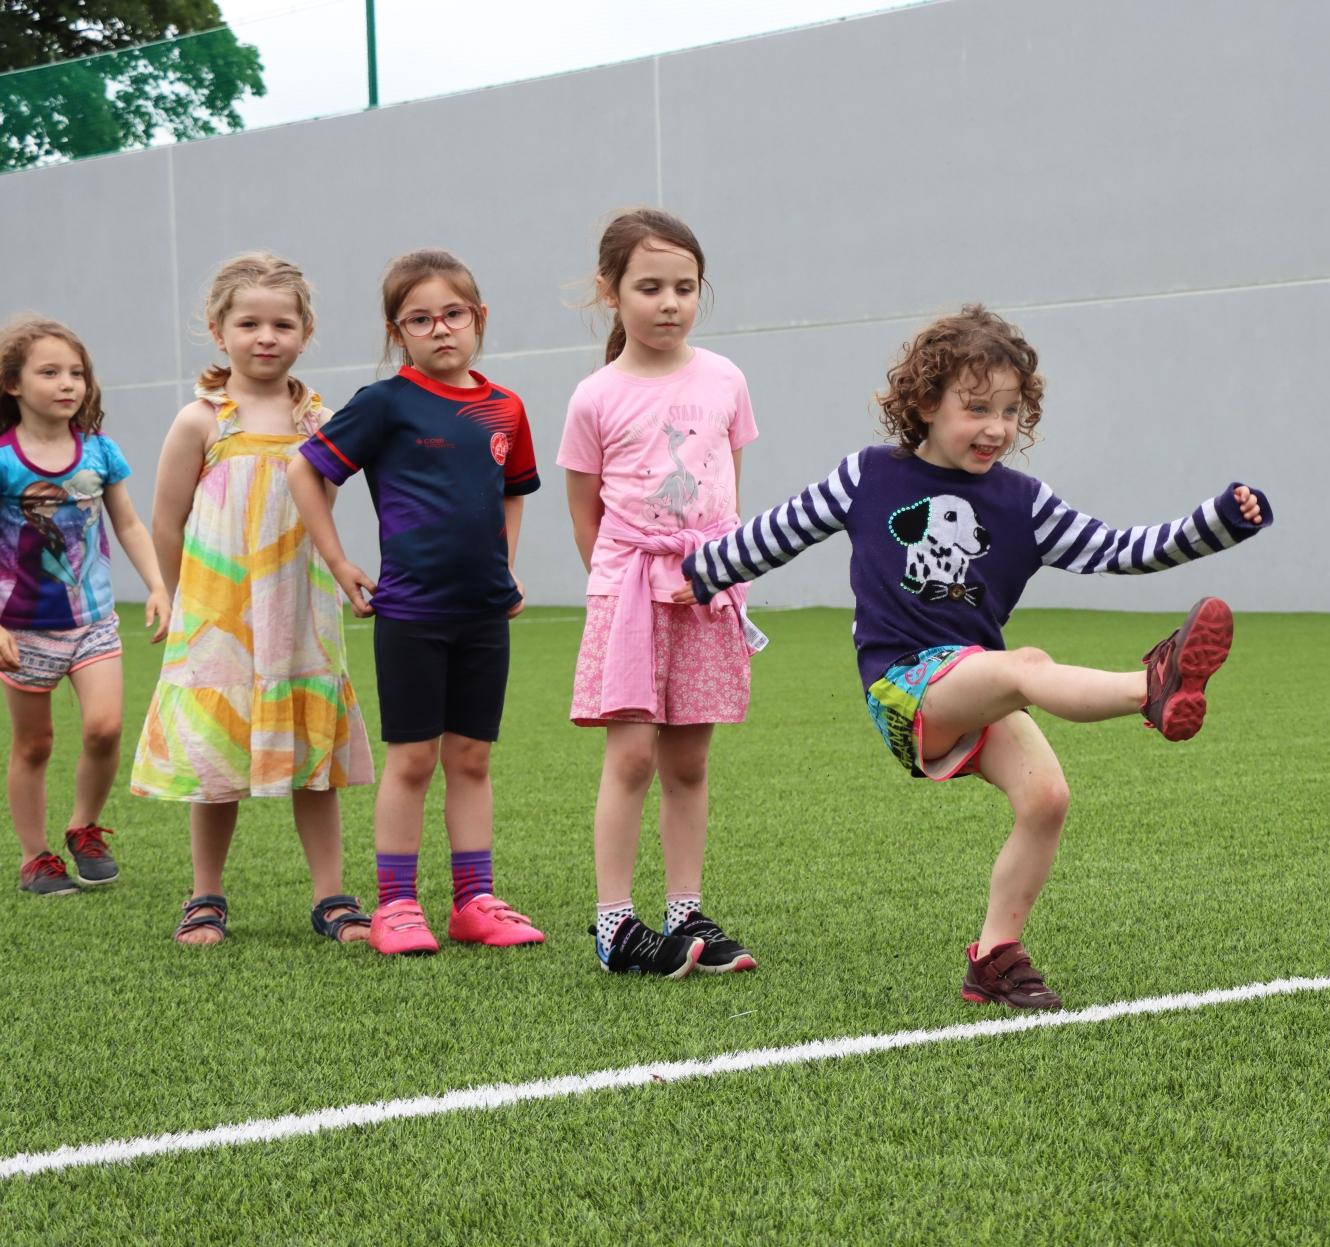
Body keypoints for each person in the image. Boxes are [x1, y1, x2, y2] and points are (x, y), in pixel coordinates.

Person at [681, 305, 1270, 1009]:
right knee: (1027, 666)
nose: (997, 427)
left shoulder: (1024, 502)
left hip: (974, 679)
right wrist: (697, 574)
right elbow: (779, 532)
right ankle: (1152, 686)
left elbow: (1120, 550)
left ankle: (994, 958)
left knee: (1046, 798)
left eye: (1011, 411)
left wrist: (1217, 523)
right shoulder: (868, 477)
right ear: (926, 404)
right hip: (904, 686)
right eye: (978, 407)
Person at [288, 249, 543, 956]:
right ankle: (397, 905)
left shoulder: (506, 407)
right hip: (410, 615)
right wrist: (339, 562)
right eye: (420, 319)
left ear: (478, 317)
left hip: (484, 614)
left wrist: (507, 569)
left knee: (472, 758)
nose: (441, 330)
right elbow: (305, 472)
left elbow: (513, 491)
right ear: (397, 332)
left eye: (453, 314)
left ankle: (474, 901)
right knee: (412, 761)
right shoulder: (385, 403)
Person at [132, 253, 376, 945]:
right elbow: (166, 522)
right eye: (248, 323)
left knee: (313, 765)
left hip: (299, 611)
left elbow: (320, 512)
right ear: (219, 331)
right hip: (219, 617)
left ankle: (331, 896)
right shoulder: (200, 420)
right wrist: (178, 598)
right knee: (215, 763)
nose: (265, 337)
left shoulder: (323, 420)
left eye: (282, 324)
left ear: (305, 332)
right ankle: (205, 895)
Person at [560, 208, 765, 977]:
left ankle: (686, 912)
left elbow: (727, 495)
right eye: (649, 287)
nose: (670, 302)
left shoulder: (726, 380)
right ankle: (616, 924)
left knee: (689, 761)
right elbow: (586, 515)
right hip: (628, 598)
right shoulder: (594, 396)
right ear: (610, 292)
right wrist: (626, 591)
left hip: (706, 592)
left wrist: (709, 574)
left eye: (685, 286)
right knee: (632, 757)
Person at [0, 316, 170, 895]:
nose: (68, 383)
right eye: (49, 372)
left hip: (93, 620)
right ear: (13, 384)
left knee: (105, 728)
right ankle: (34, 858)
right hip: (23, 629)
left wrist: (157, 585)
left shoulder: (100, 451)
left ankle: (83, 827)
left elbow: (129, 524)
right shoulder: (4, 459)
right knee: (35, 744)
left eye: (76, 372)